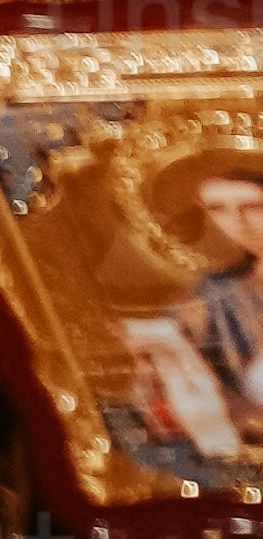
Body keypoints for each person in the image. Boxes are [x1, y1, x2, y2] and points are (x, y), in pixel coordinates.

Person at [111, 152, 263, 476]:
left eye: (253, 206)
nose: (237, 223)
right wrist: (152, 362)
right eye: (218, 209)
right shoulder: (213, 295)